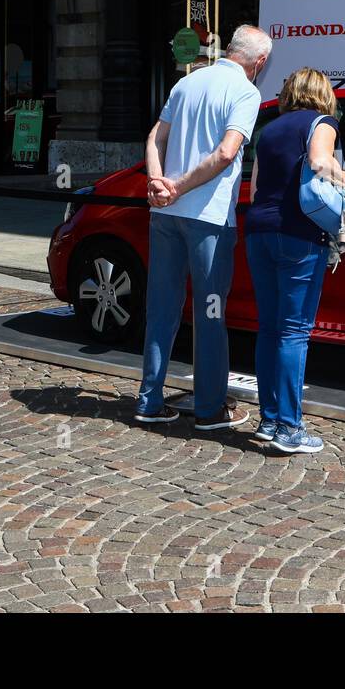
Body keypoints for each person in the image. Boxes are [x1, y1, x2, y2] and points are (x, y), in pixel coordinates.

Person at [134, 24, 268, 430]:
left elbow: (156, 136)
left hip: (166, 215)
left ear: (229, 50)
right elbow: (227, 152)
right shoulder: (246, 92)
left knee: (161, 309)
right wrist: (176, 186)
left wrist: (158, 182)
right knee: (210, 313)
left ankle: (149, 400)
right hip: (206, 217)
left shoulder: (188, 82)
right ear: (259, 63)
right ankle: (209, 408)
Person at [244, 68, 345, 453]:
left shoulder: (270, 130)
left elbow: (257, 186)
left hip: (259, 230)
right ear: (323, 94)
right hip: (297, 234)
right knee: (294, 330)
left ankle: (269, 419)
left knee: (269, 328)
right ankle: (290, 430)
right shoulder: (322, 122)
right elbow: (318, 162)